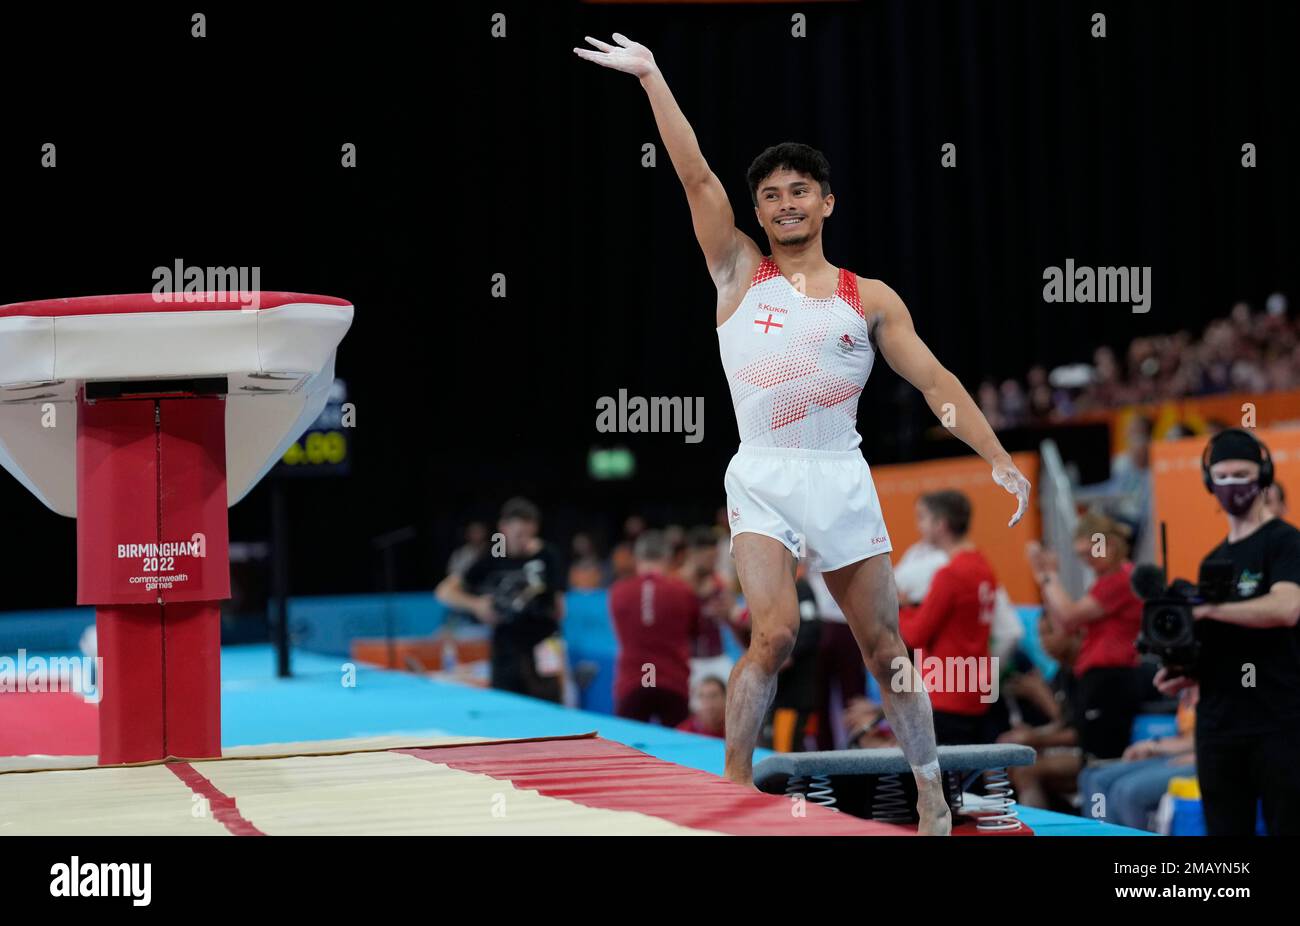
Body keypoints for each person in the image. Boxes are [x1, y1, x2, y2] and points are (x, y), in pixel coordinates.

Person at [575, 33, 1032, 834]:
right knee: (776, 632)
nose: (786, 204)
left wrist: (995, 456)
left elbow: (935, 383)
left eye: (800, 191)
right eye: (773, 195)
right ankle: (733, 788)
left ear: (827, 202)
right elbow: (695, 174)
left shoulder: (871, 298)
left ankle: (929, 790)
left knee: (886, 649)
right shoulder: (738, 273)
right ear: (758, 211)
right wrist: (652, 77)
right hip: (763, 474)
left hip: (840, 476)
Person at [1155, 428, 1300, 835]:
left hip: (1279, 723)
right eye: (1222, 476)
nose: (1232, 485)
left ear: (1263, 476)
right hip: (1218, 727)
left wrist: (1214, 609)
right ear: (1208, 483)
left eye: (1242, 474)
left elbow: (1288, 607)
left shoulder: (1286, 543)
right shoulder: (1212, 561)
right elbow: (1218, 641)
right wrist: (1184, 673)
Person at [1027, 510, 1146, 760]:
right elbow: (1063, 623)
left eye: (1090, 552)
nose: (1087, 561)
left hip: (1111, 681)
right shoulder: (1106, 581)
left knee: (1099, 760)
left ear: (1109, 545)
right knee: (1091, 760)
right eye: (1081, 555)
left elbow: (1069, 616)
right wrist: (1045, 579)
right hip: (1099, 679)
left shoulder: (1119, 580)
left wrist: (1049, 575)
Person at [434, 498, 566, 702]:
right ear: (503, 528)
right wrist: (476, 605)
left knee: (550, 707)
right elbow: (444, 591)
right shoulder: (492, 556)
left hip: (543, 647)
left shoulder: (548, 555)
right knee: (508, 709)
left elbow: (559, 608)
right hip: (507, 651)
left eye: (528, 534)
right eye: (517, 534)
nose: (522, 540)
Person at [897, 491, 999, 745]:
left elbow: (915, 634)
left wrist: (899, 608)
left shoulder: (951, 574)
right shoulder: (983, 566)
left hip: (948, 692)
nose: (919, 527)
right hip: (976, 688)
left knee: (942, 780)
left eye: (922, 518)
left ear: (941, 524)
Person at [608, 530, 699, 727]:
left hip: (634, 680)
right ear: (667, 558)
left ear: (637, 558)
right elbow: (695, 633)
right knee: (676, 752)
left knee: (629, 750)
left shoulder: (618, 591)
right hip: (672, 681)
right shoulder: (682, 591)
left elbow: (621, 633)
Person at [998, 614, 1083, 810]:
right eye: (1040, 635)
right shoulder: (1062, 672)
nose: (1045, 641)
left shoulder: (1086, 672)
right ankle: (1003, 825)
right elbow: (1063, 722)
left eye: (1050, 633)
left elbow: (1079, 731)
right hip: (1068, 747)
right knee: (999, 760)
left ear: (1075, 632)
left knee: (1026, 771)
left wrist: (1040, 696)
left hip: (1092, 755)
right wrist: (1031, 734)